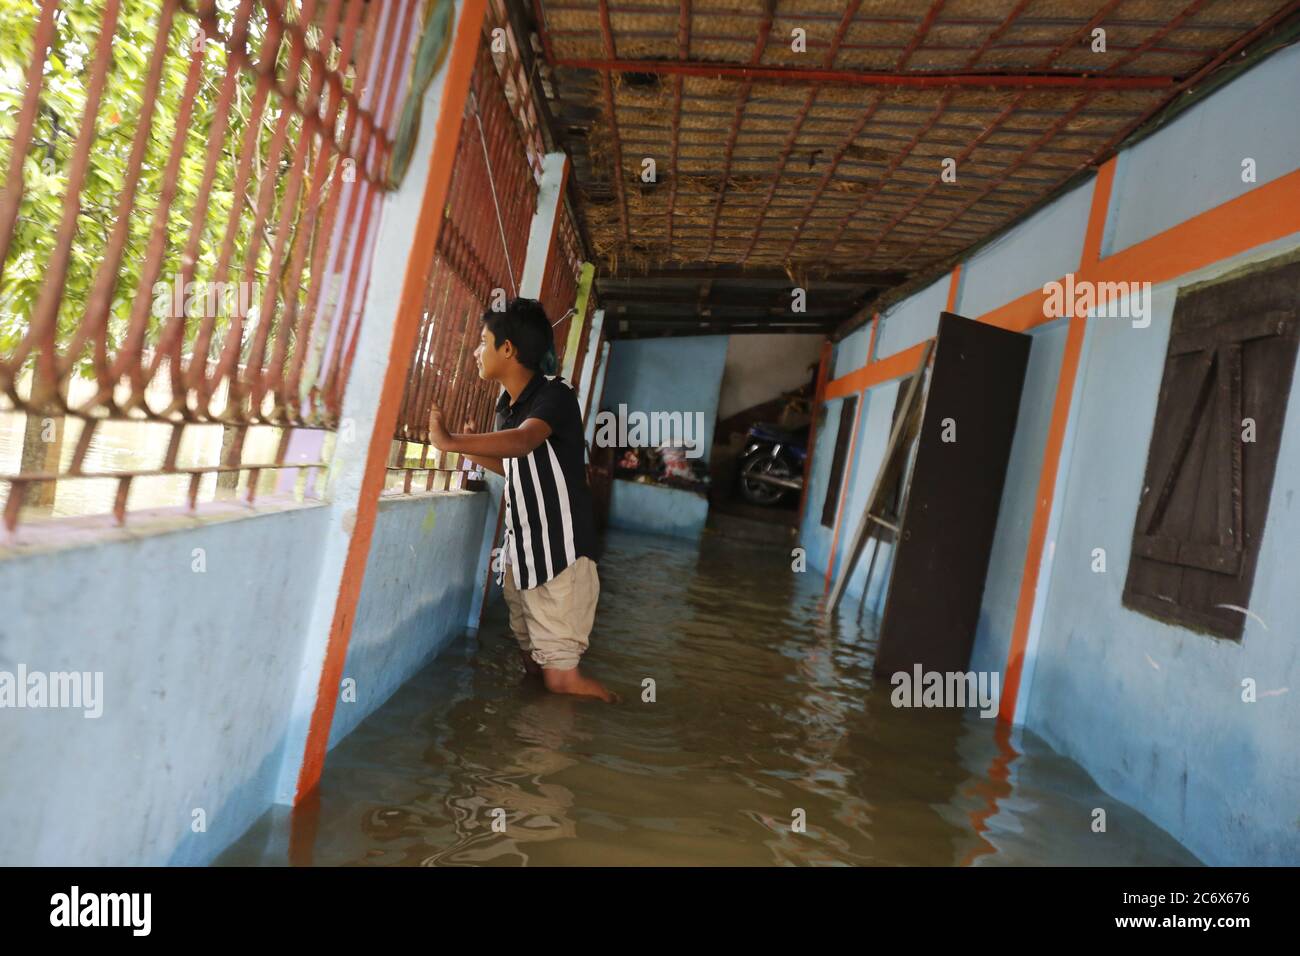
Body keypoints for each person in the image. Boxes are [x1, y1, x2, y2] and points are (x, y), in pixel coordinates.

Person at [427, 297, 617, 703]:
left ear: (508, 349)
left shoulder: (555, 394)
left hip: (562, 558)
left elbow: (525, 441)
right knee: (533, 663)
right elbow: (515, 466)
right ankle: (537, 730)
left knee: (562, 681)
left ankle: (616, 715)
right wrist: (459, 449)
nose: (477, 351)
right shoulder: (506, 407)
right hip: (523, 556)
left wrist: (452, 439)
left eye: (483, 342)